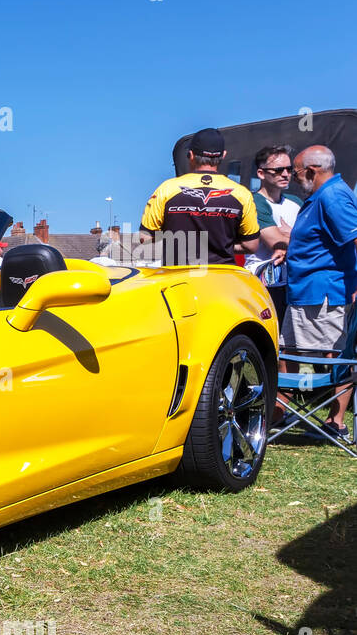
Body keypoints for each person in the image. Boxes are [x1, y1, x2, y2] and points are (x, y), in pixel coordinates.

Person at [279, 145, 357, 441]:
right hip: (305, 291)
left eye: (296, 171)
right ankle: (281, 410)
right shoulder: (322, 196)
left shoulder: (332, 196)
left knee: (335, 356)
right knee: (288, 351)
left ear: (311, 171)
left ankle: (336, 422)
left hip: (324, 293)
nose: (294, 177)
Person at [140, 128, 259, 266]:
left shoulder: (167, 189)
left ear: (190, 155)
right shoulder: (241, 193)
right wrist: (222, 245)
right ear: (223, 155)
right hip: (223, 277)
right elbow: (251, 245)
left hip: (178, 277)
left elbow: (145, 238)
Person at [244, 145, 303, 282]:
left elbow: (315, 237)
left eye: (289, 169)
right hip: (262, 280)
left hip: (292, 278)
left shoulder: (296, 202)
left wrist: (291, 235)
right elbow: (277, 243)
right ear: (260, 173)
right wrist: (299, 236)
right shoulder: (253, 202)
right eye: (278, 170)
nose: (285, 174)